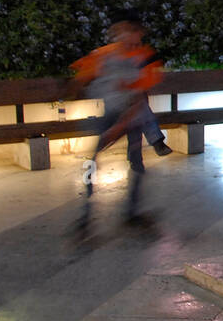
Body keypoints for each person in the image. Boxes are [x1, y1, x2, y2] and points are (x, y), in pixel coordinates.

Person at [69, 11, 168, 220]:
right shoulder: (106, 55)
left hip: (131, 115)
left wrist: (119, 126)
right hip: (115, 113)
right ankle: (87, 207)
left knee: (135, 160)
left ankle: (131, 209)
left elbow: (139, 98)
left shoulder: (144, 57)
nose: (123, 36)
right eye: (119, 31)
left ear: (137, 33)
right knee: (94, 157)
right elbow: (82, 78)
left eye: (128, 31)